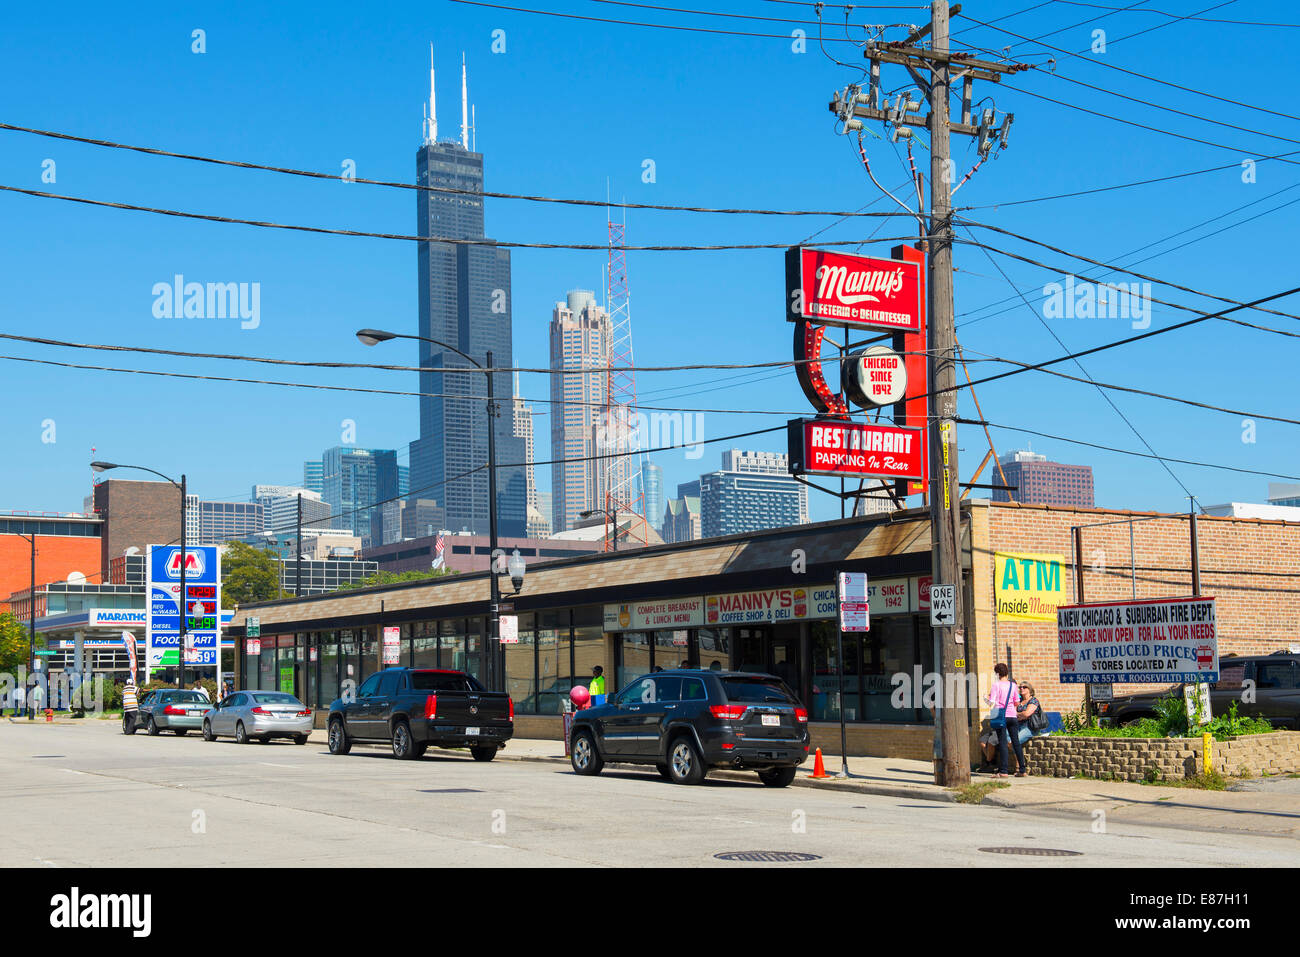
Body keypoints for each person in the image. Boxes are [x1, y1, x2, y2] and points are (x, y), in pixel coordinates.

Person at [985, 663, 1025, 778]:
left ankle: (1003, 771)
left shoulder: (996, 685)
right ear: (1007, 672)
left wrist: (985, 699)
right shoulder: (1013, 685)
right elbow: (1017, 702)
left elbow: (991, 703)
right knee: (1016, 742)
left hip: (1000, 716)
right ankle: (1022, 769)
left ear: (997, 674)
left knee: (1002, 742)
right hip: (1012, 716)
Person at [1016, 680, 1050, 749]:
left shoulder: (1034, 700)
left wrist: (1019, 714)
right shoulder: (1019, 701)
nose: (1021, 688)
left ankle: (1019, 760)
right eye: (1020, 687)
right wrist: (1021, 715)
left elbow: (1027, 714)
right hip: (1018, 725)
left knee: (1015, 742)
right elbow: (1013, 713)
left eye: (1024, 687)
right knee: (1007, 741)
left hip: (1030, 727)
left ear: (1029, 689)